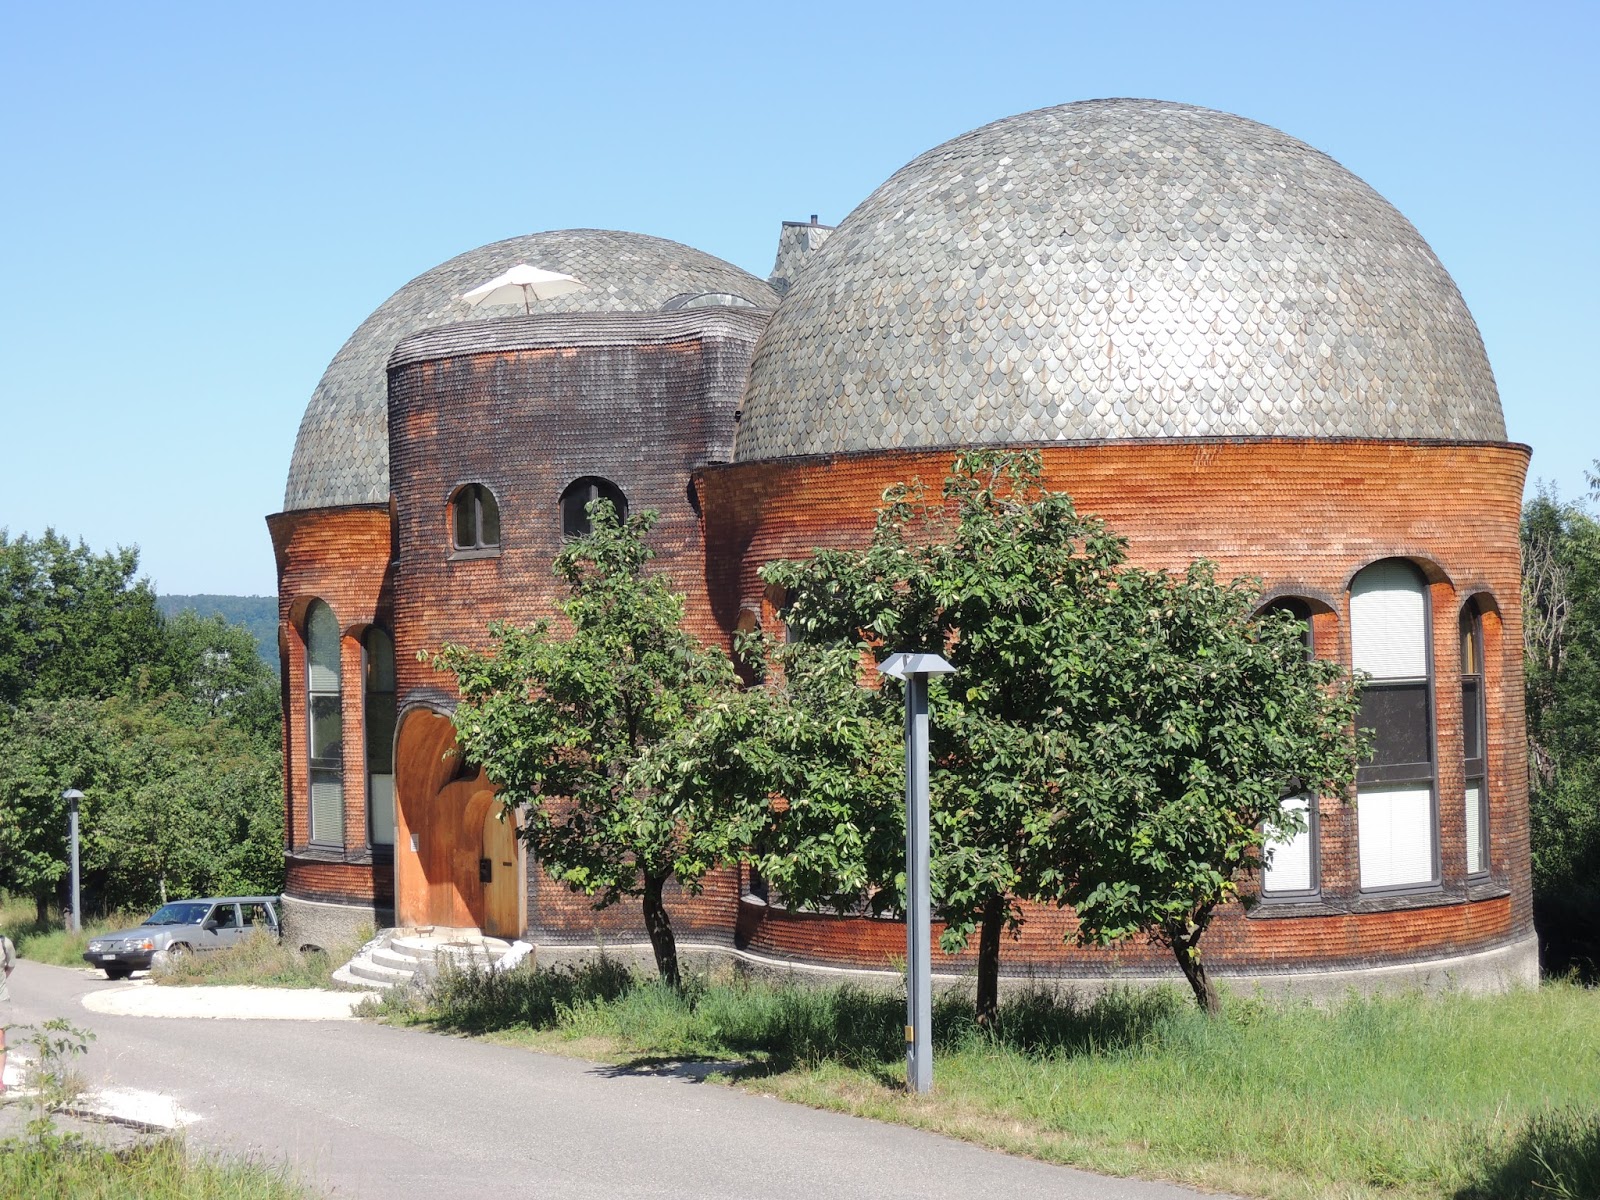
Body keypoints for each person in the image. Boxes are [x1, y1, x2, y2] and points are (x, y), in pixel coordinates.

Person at [0, 931, 15, 1095]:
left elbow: (9, 967)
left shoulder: (6, 944)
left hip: (0, 998)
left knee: (0, 1040)